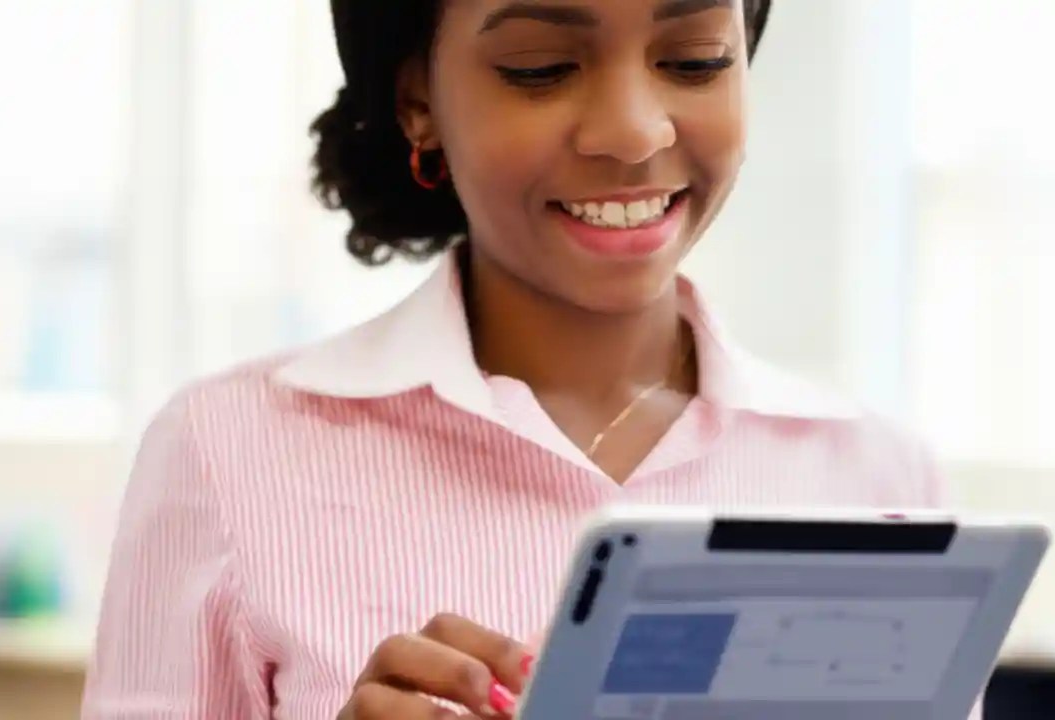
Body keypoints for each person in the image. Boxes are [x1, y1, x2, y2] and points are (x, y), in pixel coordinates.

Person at [81, 1, 961, 718]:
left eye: (694, 59)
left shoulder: (879, 481)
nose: (633, 131)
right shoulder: (225, 450)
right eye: (541, 67)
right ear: (418, 100)